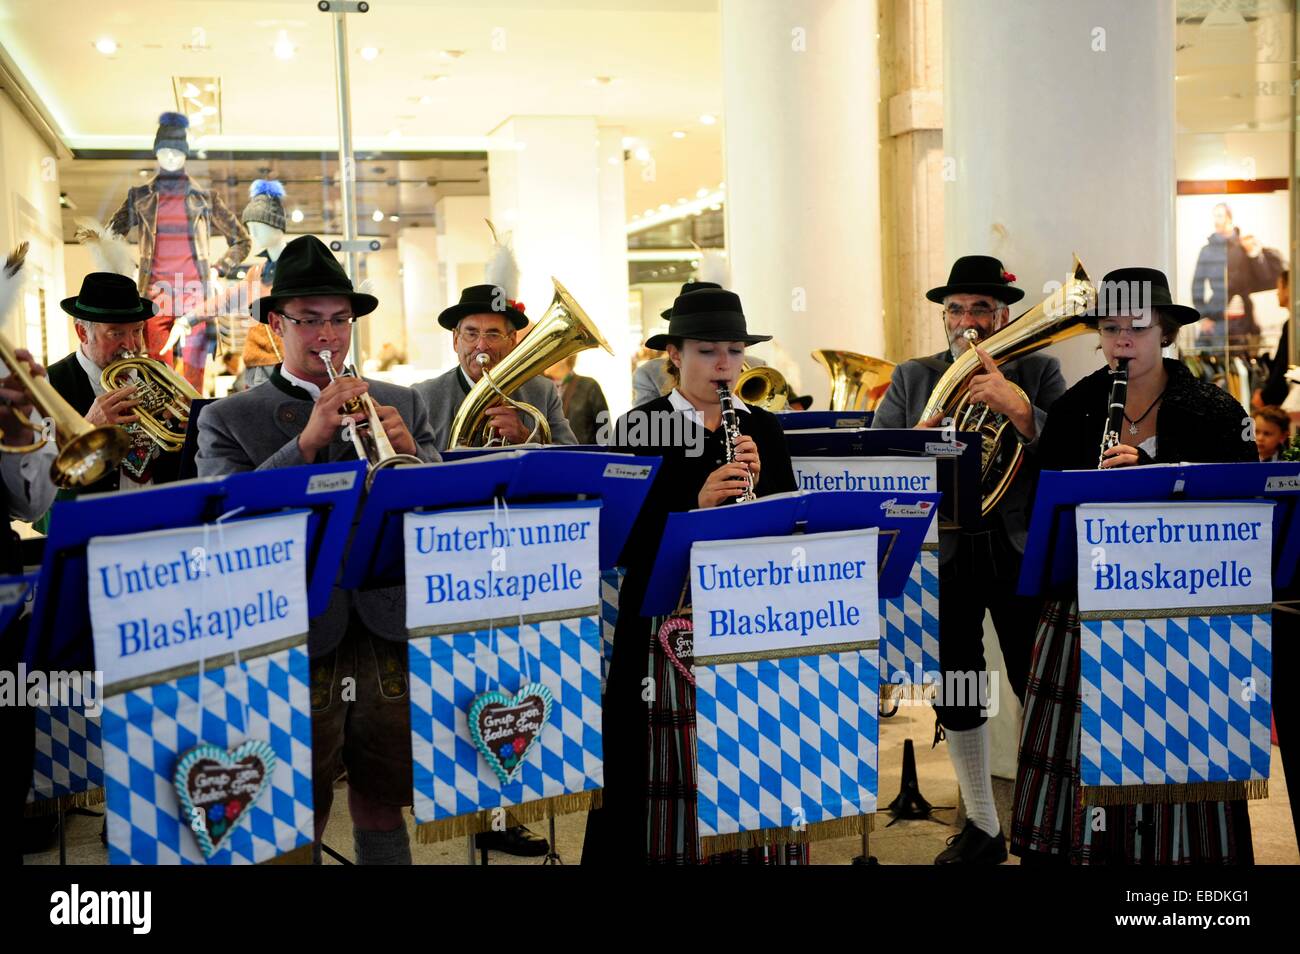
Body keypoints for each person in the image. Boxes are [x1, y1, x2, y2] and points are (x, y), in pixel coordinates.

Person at [197, 235, 441, 865]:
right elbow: (223, 514)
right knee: (302, 801)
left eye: (340, 320)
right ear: (277, 326)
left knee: (386, 793)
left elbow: (438, 503)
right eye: (309, 321)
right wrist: (305, 443)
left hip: (388, 619)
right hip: (298, 624)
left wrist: (412, 450)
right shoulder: (229, 417)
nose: (328, 336)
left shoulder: (404, 401)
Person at [1010, 267, 1257, 865]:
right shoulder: (1078, 407)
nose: (1123, 340)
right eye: (1110, 327)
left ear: (1165, 333)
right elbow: (1047, 503)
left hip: (1183, 607)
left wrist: (1155, 479)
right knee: (1085, 742)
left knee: (1176, 736)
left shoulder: (1213, 409)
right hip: (1086, 602)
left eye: (1137, 328)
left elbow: (1241, 507)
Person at [583, 286, 798, 865]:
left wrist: (766, 502)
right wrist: (695, 506)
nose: (724, 364)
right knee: (650, 766)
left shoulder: (766, 430)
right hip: (660, 624)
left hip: (746, 621)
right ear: (673, 355)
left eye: (734, 350)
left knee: (745, 757)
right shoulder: (636, 429)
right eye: (707, 351)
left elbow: (790, 531)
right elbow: (616, 539)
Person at [871, 255, 1064, 863]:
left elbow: (1067, 451)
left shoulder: (1038, 368)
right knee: (957, 680)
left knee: (1037, 680)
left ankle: (1051, 818)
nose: (966, 320)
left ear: (1004, 315)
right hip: (944, 550)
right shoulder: (913, 375)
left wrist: (1017, 407)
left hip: (1016, 547)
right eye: (955, 309)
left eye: (980, 307)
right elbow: (879, 459)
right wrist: (924, 431)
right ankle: (982, 823)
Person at [44, 273, 183, 500]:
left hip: (161, 512)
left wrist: (189, 425)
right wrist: (88, 427)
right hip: (88, 521)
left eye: (137, 330)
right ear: (82, 333)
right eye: (116, 333)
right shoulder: (49, 384)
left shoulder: (162, 374)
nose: (131, 345)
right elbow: (39, 470)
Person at [415, 287, 576, 452]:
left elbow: (572, 458)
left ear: (512, 341)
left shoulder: (542, 391)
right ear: (456, 341)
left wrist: (526, 438)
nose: (482, 346)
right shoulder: (422, 397)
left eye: (493, 335)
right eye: (471, 334)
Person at [1191, 203, 1282, 352]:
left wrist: (1253, 253)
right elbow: (1197, 286)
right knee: (1213, 360)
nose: (1216, 220)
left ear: (1229, 218)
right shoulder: (1207, 251)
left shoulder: (1244, 245)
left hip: (1244, 317)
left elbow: (1264, 277)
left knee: (1246, 359)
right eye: (1214, 216)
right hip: (1217, 314)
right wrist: (1203, 317)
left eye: (1219, 216)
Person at [543, 353, 608, 444]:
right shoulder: (541, 387)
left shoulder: (589, 386)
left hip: (583, 456)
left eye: (548, 354)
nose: (543, 359)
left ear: (564, 357)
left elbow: (605, 433)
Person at [1256, 270, 1292, 410]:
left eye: (1279, 287)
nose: (1277, 293)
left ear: (1288, 289)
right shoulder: (1291, 324)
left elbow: (1282, 367)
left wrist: (1265, 397)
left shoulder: (1292, 326)